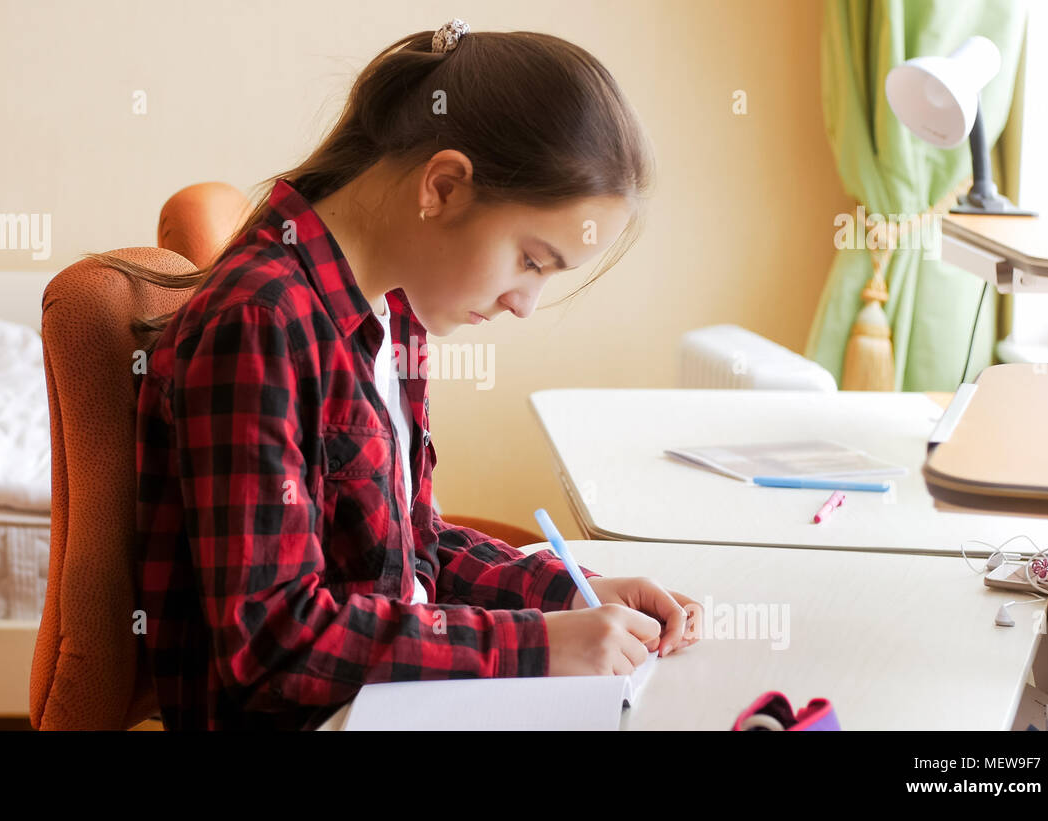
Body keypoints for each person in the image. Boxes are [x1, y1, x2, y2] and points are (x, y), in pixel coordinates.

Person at [104, 19, 702, 731]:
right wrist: (537, 644)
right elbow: (273, 642)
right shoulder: (261, 323)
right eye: (532, 261)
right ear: (444, 187)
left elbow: (410, 550)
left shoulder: (393, 314)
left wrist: (566, 593)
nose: (524, 303)